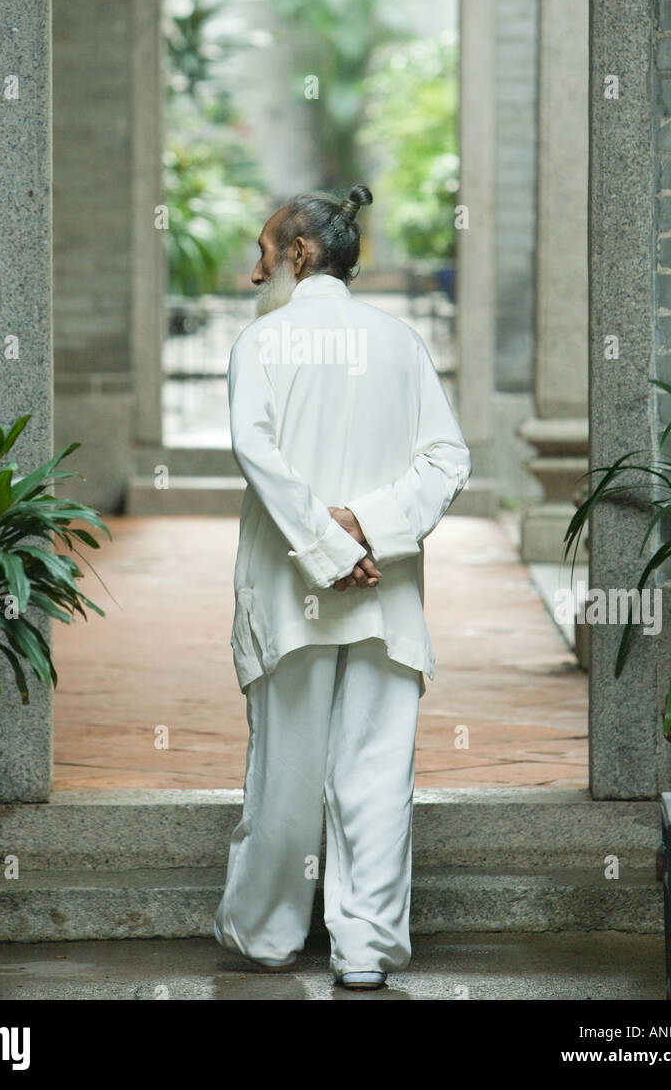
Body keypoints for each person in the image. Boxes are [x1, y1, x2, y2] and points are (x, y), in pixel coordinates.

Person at [214, 183, 471, 991]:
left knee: (284, 773)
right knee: (375, 775)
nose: (254, 274)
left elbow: (257, 455)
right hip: (383, 594)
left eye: (263, 253)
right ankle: (364, 950)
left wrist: (329, 543)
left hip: (293, 593)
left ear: (297, 254)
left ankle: (264, 935)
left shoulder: (261, 345)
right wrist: (368, 528)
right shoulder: (398, 342)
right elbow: (447, 460)